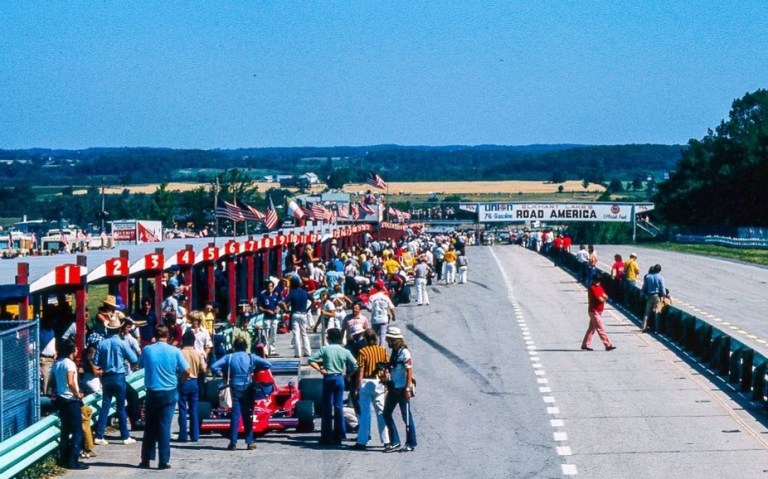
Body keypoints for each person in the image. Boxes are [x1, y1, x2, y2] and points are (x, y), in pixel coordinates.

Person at [138, 325, 190, 470]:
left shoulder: (147, 350)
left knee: (150, 427)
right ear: (168, 336)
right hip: (170, 390)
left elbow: (139, 364)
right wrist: (180, 380)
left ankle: (146, 459)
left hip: (153, 391)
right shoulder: (175, 351)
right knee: (164, 426)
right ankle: (163, 460)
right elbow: (187, 370)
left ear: (154, 335)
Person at [211, 337, 272, 451]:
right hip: (248, 387)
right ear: (245, 346)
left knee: (235, 415)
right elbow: (268, 364)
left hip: (234, 386)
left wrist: (222, 374)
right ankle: (249, 441)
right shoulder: (250, 357)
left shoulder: (229, 357)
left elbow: (214, 366)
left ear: (234, 347)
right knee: (247, 415)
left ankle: (233, 442)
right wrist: (254, 369)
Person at [308, 328, 359, 446]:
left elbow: (311, 360)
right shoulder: (344, 351)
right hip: (339, 378)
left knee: (327, 407)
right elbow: (356, 365)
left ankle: (326, 436)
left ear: (329, 338)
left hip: (328, 378)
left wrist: (320, 369)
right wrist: (348, 375)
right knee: (338, 407)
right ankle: (339, 434)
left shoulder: (325, 349)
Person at [94, 313, 139, 446]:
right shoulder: (122, 343)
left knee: (105, 406)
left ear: (108, 329)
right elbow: (134, 359)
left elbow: (96, 362)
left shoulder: (102, 344)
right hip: (119, 376)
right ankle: (125, 436)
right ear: (119, 329)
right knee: (121, 407)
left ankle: (99, 435)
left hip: (106, 377)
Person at [350, 329, 389, 451]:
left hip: (366, 381)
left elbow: (360, 370)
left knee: (365, 413)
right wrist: (386, 383)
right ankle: (386, 440)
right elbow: (387, 368)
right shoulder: (382, 350)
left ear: (366, 339)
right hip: (379, 382)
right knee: (381, 412)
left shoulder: (363, 352)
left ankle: (362, 440)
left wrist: (357, 387)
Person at [52, 340, 88, 470]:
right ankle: (73, 460)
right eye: (76, 349)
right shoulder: (70, 364)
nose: (77, 351)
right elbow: (71, 381)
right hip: (71, 399)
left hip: (61, 400)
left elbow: (53, 382)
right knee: (77, 431)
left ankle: (63, 458)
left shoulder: (57, 364)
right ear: (71, 351)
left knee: (65, 431)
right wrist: (77, 394)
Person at [381, 327, 417, 452]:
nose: (387, 341)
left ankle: (410, 442)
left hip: (402, 389)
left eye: (389, 339)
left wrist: (407, 388)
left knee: (406, 416)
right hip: (393, 388)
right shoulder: (395, 352)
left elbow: (409, 371)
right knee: (386, 414)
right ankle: (395, 441)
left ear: (394, 340)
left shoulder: (404, 353)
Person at [178, 330, 206, 443]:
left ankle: (183, 435)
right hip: (194, 382)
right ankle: (195, 435)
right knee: (193, 410)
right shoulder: (197, 353)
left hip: (183, 381)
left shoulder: (180, 353)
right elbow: (203, 369)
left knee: (182, 409)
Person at [581, 276, 616, 352]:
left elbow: (605, 296)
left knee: (591, 329)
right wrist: (604, 298)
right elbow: (600, 299)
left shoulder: (599, 287)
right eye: (597, 281)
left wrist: (604, 298)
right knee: (600, 328)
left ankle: (585, 345)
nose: (598, 282)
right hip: (594, 311)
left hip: (598, 311)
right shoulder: (593, 288)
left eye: (599, 281)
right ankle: (608, 345)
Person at [280, 276, 312, 358]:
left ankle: (298, 353)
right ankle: (307, 351)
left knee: (296, 334)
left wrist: (287, 310)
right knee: (304, 333)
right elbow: (314, 301)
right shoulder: (305, 292)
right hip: (304, 314)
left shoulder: (292, 293)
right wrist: (308, 308)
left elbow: (283, 303)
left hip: (295, 313)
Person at [256, 279, 281, 356]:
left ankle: (272, 350)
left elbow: (277, 305)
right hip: (267, 317)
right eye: (269, 286)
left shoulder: (275, 296)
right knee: (266, 335)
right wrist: (267, 310)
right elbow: (259, 307)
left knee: (273, 334)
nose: (270, 288)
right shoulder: (262, 296)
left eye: (271, 286)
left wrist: (277, 309)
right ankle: (265, 351)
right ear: (266, 287)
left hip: (274, 318)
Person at [641, 264, 668, 333]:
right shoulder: (660, 277)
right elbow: (662, 288)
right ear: (659, 270)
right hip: (657, 297)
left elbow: (644, 286)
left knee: (647, 312)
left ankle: (643, 326)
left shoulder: (648, 277)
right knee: (657, 313)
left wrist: (642, 293)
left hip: (649, 296)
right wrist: (664, 296)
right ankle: (657, 329)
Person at [369, 281, 396, 346]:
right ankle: (382, 351)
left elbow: (369, 308)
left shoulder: (372, 297)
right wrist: (393, 316)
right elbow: (392, 307)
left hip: (375, 319)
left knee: (374, 336)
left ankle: (374, 350)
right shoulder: (386, 297)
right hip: (384, 319)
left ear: (376, 287)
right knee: (382, 336)